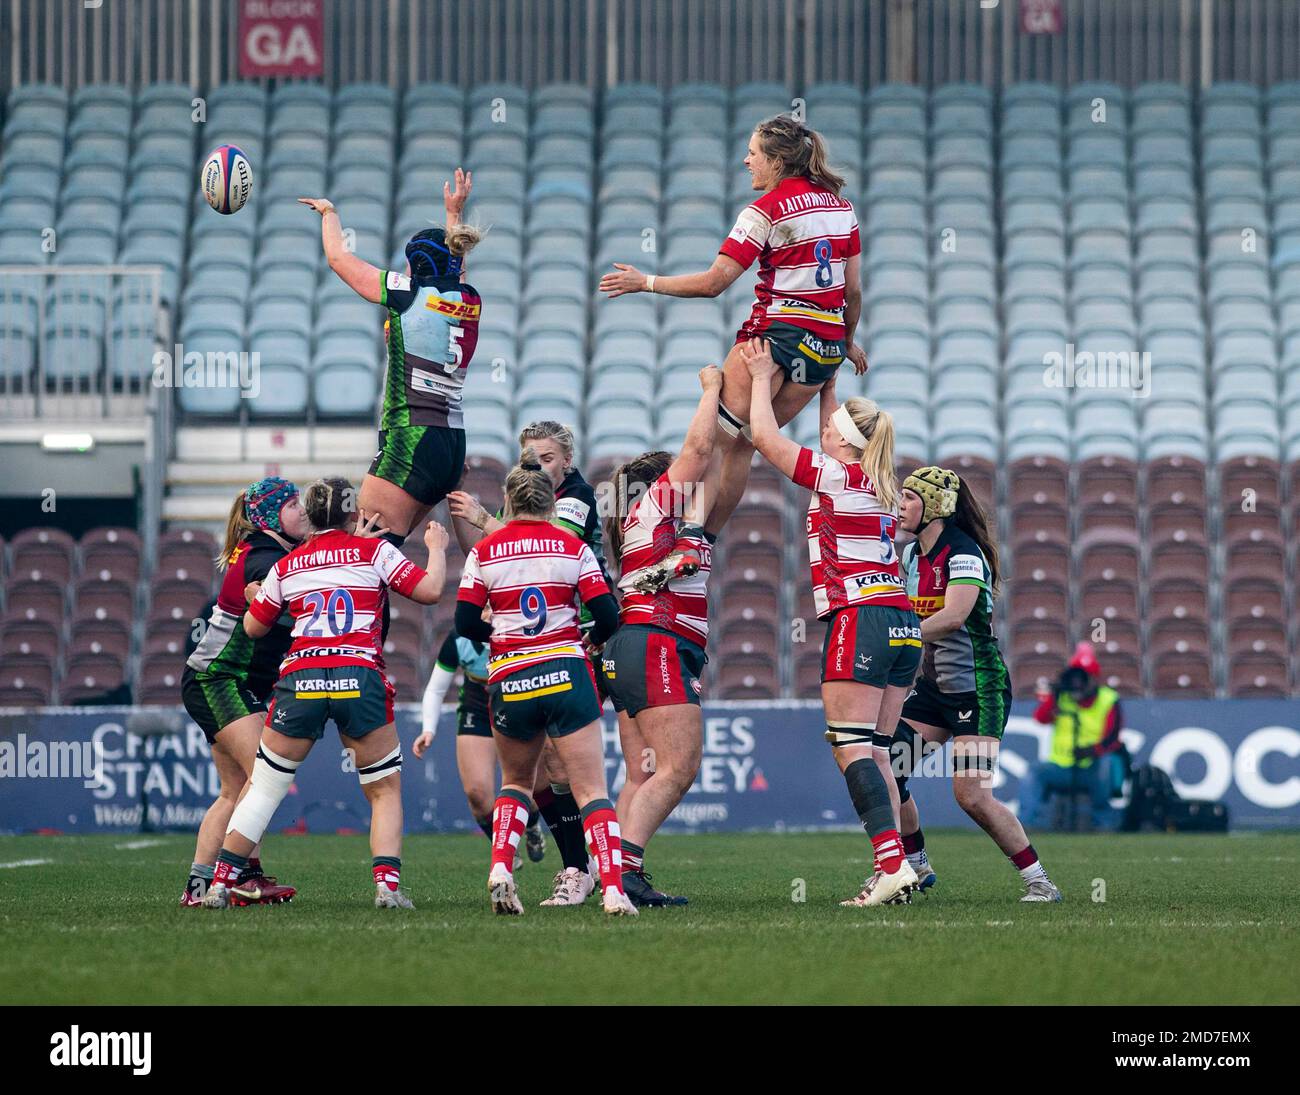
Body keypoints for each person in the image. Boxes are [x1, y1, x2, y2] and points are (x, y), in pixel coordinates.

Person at [599, 115, 867, 548]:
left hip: (774, 336)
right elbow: (852, 291)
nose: (747, 161)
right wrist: (846, 341)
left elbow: (713, 283)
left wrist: (644, 282)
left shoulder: (765, 211)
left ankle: (686, 537)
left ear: (777, 162)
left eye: (754, 154)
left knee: (718, 443)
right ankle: (706, 541)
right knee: (746, 447)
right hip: (824, 349)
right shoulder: (842, 208)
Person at [202, 478, 448, 911]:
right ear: (355, 515)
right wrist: (438, 548)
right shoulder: (375, 551)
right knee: (384, 790)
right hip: (359, 676)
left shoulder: (288, 564)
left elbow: (254, 628)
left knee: (263, 788)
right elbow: (429, 592)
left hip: (302, 678)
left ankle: (221, 884)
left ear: (310, 518)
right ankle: (386, 888)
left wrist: (260, 597)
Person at [744, 339, 920, 907]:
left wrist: (756, 377)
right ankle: (896, 869)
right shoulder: (880, 484)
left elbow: (766, 440)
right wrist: (828, 385)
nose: (826, 431)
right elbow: (835, 432)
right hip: (902, 623)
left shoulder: (834, 476)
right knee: (876, 750)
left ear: (842, 438)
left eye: (832, 426)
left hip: (860, 618)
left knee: (849, 747)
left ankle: (891, 865)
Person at [454, 451, 636, 917]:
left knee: (515, 782)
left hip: (511, 677)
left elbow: (464, 623)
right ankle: (613, 890)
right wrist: (585, 638)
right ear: (551, 502)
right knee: (591, 788)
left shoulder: (483, 551)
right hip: (566, 671)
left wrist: (499, 632)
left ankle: (500, 870)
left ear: (508, 504)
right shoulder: (571, 548)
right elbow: (610, 614)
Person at [891, 466, 1062, 901]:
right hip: (935, 691)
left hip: (978, 690)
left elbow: (953, 617)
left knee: (971, 796)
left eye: (910, 498)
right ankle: (915, 866)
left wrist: (899, 635)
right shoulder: (909, 555)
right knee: (887, 768)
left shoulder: (963, 553)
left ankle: (1040, 882)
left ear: (935, 508)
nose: (901, 505)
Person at [298, 169, 482, 551]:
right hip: (451, 445)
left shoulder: (407, 293)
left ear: (413, 266)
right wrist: (454, 214)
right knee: (384, 553)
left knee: (362, 552)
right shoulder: (468, 297)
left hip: (410, 437)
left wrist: (329, 214)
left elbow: (338, 258)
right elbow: (455, 266)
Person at [599, 368, 723, 907]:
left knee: (642, 771)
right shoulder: (652, 506)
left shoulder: (664, 529)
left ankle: (619, 877)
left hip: (633, 643)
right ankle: (624, 872)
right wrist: (714, 392)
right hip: (656, 640)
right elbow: (698, 451)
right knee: (679, 766)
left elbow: (719, 471)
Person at [179, 478, 307, 907]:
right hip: (219, 680)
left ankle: (198, 890)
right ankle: (243, 879)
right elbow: (281, 584)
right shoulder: (263, 556)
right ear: (271, 517)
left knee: (234, 791)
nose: (303, 510)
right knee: (265, 776)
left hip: (220, 681)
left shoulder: (268, 551)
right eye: (293, 504)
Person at [1023, 643, 1125, 832]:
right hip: (1061, 767)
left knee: (1107, 763)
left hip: (1091, 768)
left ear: (1093, 679)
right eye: (1074, 678)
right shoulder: (1062, 696)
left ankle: (1103, 823)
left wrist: (1091, 751)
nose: (1077, 684)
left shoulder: (1108, 699)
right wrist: (1054, 695)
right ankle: (1028, 825)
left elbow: (1113, 738)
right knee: (1034, 771)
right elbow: (1040, 718)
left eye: (1082, 679)